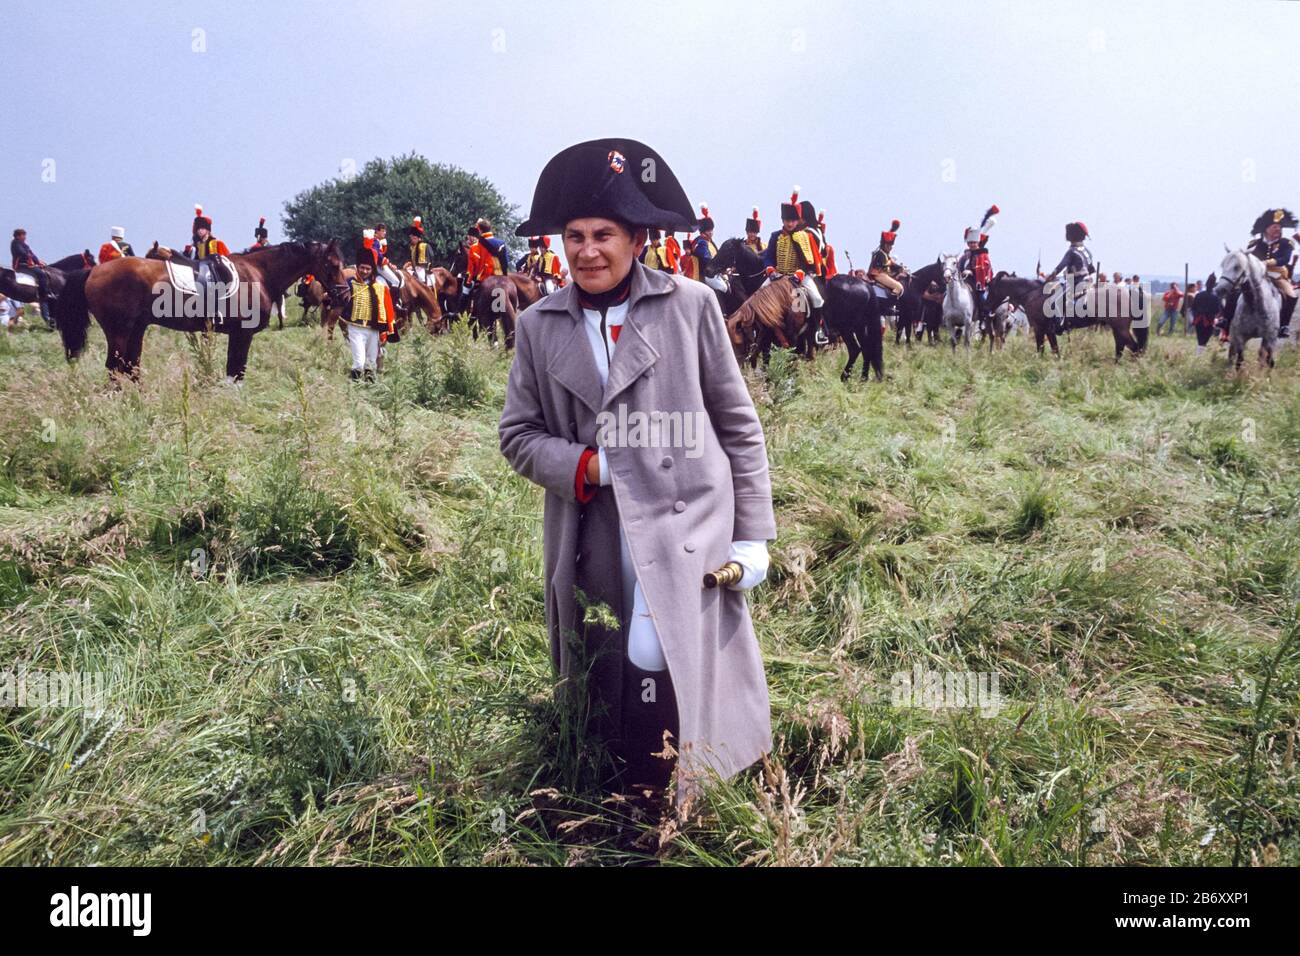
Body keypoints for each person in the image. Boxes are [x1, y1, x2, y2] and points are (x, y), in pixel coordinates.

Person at [499, 138, 776, 807]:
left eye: (604, 235)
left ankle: (681, 788)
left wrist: (753, 534)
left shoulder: (691, 305)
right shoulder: (538, 325)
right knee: (609, 655)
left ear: (638, 239)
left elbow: (737, 423)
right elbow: (517, 435)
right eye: (574, 236)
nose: (587, 251)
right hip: (593, 528)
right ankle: (613, 777)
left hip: (686, 521)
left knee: (662, 652)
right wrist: (584, 465)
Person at [339, 240, 395, 382]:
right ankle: (355, 388)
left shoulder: (379, 285)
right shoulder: (350, 283)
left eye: (368, 269)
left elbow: (385, 307)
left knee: (371, 362)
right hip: (355, 328)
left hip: (373, 329)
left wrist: (385, 330)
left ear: (372, 270)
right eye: (362, 268)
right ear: (357, 267)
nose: (364, 271)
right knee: (359, 361)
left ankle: (369, 389)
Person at [762, 187, 825, 310]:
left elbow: (808, 262)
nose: (789, 224)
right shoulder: (775, 236)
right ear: (783, 220)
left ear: (797, 221)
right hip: (778, 275)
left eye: (792, 221)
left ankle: (818, 328)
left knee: (817, 299)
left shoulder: (804, 237)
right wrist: (770, 270)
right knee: (758, 296)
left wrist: (799, 273)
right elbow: (768, 257)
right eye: (787, 220)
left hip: (798, 277)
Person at [1043, 221, 1095, 335]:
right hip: (1089, 281)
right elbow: (1092, 269)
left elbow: (1060, 267)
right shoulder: (1086, 251)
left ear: (1073, 235)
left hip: (1076, 282)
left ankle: (1059, 325)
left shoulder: (1072, 251)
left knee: (1055, 300)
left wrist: (1049, 278)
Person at [957, 205, 998, 323]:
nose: (972, 245)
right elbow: (959, 267)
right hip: (962, 281)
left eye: (974, 243)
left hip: (977, 282)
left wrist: (972, 272)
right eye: (970, 243)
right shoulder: (964, 256)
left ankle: (984, 316)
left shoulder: (982, 255)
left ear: (978, 243)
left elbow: (986, 269)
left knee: (981, 297)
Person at [10, 228, 56, 328]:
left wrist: (38, 261)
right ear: (18, 236)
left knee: (44, 271)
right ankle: (44, 292)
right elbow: (22, 253)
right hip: (22, 265)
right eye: (23, 235)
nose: (25, 237)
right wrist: (32, 259)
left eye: (24, 235)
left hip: (28, 264)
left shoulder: (25, 244)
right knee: (41, 274)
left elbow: (32, 254)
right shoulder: (15, 243)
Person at [867, 219, 905, 297]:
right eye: (889, 246)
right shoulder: (880, 253)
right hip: (879, 274)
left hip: (884, 274)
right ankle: (891, 305)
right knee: (899, 287)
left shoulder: (885, 254)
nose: (890, 248)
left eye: (891, 246)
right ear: (884, 245)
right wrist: (894, 264)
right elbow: (885, 264)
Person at [1191, 274, 1221, 354]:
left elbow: (1193, 307)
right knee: (1204, 341)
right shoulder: (1215, 297)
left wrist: (1196, 315)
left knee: (1200, 340)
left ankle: (1199, 355)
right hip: (1209, 320)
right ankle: (1199, 355)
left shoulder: (1199, 295)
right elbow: (1217, 310)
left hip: (1198, 320)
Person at [407, 216, 433, 284]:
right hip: (415, 268)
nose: (411, 240)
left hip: (422, 268)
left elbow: (428, 259)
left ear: (416, 238)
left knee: (421, 278)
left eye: (412, 238)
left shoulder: (423, 246)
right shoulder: (412, 247)